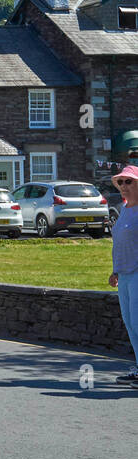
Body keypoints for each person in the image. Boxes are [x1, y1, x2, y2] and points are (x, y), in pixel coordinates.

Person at [108, 164, 138, 383]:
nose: (124, 186)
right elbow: (120, 242)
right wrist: (115, 270)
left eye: (129, 181)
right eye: (121, 182)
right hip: (124, 274)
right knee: (129, 323)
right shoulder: (125, 209)